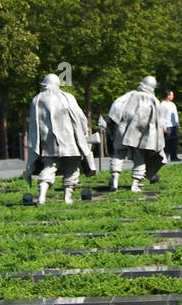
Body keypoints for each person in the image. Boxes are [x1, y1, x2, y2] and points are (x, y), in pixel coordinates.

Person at [24, 72, 95, 205]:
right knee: (72, 168)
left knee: (49, 166)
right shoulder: (68, 97)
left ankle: (42, 197)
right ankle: (67, 197)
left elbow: (33, 125)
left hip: (49, 143)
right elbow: (80, 117)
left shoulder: (37, 99)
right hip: (71, 143)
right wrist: (85, 133)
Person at [107, 76, 166, 191]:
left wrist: (111, 127)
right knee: (139, 157)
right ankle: (135, 184)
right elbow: (157, 123)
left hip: (122, 128)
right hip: (139, 133)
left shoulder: (129, 95)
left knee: (119, 153)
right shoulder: (154, 101)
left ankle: (115, 180)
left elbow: (113, 111)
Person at [161, 88, 180, 162]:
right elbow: (161, 116)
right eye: (171, 95)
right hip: (167, 125)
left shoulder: (173, 104)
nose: (173, 96)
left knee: (174, 141)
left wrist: (177, 124)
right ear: (167, 96)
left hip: (173, 125)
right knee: (167, 142)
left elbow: (175, 115)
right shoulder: (162, 104)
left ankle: (174, 156)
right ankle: (165, 156)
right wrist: (163, 126)